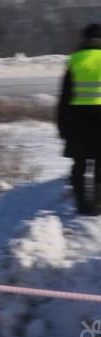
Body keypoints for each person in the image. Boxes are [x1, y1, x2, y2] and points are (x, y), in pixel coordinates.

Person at [59, 24, 101, 215]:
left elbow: (64, 98)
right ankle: (98, 205)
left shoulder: (74, 60)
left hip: (78, 121)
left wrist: (62, 127)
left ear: (85, 39)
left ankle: (82, 206)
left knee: (79, 166)